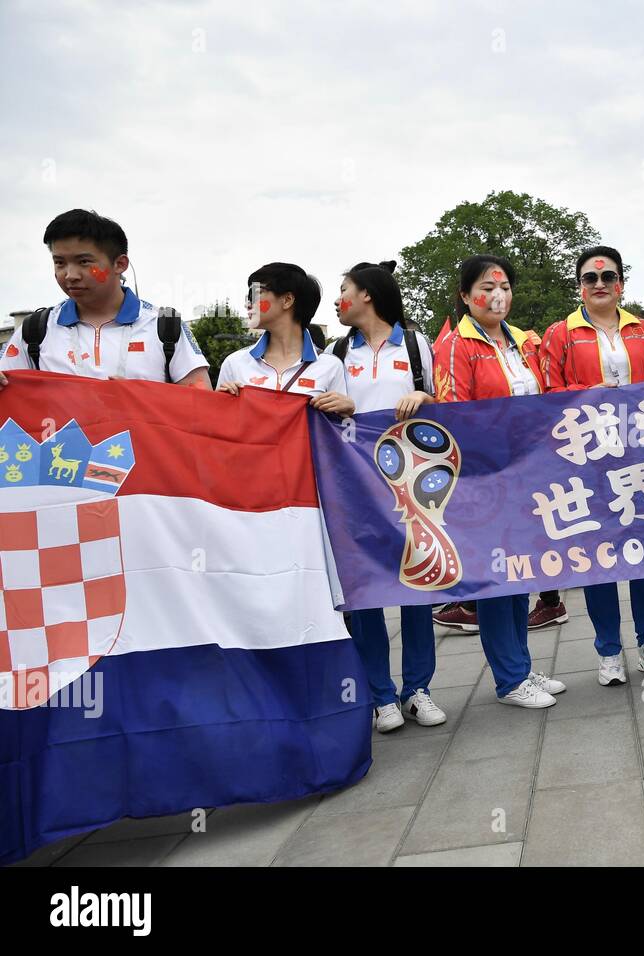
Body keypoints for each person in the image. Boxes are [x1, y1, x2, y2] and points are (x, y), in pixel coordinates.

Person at [538, 246, 644, 686]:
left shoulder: (642, 330)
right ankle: (609, 650)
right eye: (590, 278)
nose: (600, 284)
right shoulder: (560, 333)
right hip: (588, 460)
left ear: (621, 283)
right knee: (600, 556)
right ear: (579, 285)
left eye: (608, 276)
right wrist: (590, 391)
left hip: (640, 456)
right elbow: (549, 393)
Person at [434, 255, 565, 707]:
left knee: (521, 573)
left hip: (528, 476)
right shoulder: (457, 344)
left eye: (505, 286)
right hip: (486, 479)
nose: (498, 295)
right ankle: (509, 679)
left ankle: (522, 666)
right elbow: (455, 415)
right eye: (487, 288)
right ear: (466, 296)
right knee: (496, 579)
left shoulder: (522, 342)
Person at [333, 259, 444, 732]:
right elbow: (325, 412)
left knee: (418, 585)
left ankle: (417, 689)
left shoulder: (416, 343)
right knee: (366, 594)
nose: (339, 300)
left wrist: (422, 398)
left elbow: (440, 403)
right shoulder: (337, 352)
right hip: (356, 487)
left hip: (412, 484)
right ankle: (381, 696)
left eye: (344, 290)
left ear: (368, 296)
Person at [0, 209, 210, 389]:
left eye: (83, 261)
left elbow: (200, 404)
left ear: (120, 264)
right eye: (60, 263)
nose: (70, 275)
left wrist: (142, 397)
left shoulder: (165, 325)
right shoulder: (35, 330)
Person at [216, 262, 353, 416]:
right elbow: (218, 428)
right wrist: (221, 402)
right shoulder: (235, 363)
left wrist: (346, 414)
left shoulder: (330, 366)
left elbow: (335, 433)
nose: (248, 304)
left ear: (287, 300)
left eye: (255, 294)